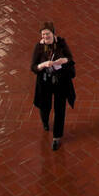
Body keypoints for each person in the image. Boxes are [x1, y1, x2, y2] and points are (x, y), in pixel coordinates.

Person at [30, 21, 76, 151]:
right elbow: (33, 67)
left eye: (47, 34)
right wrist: (43, 65)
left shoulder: (61, 43)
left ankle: (57, 137)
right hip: (45, 83)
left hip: (60, 82)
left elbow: (70, 59)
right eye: (43, 35)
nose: (45, 37)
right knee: (45, 107)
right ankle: (45, 120)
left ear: (53, 33)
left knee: (60, 109)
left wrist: (64, 60)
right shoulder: (39, 47)